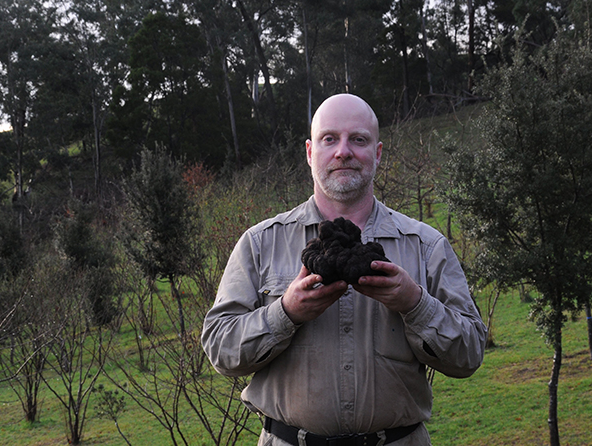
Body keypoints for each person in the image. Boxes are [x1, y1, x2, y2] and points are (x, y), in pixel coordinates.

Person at [201, 93, 487, 446]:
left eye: (359, 140)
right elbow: (220, 350)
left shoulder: (426, 246)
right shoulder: (260, 243)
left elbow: (469, 356)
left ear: (377, 153)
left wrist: (415, 303)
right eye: (329, 139)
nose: (343, 152)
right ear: (310, 153)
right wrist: (285, 313)